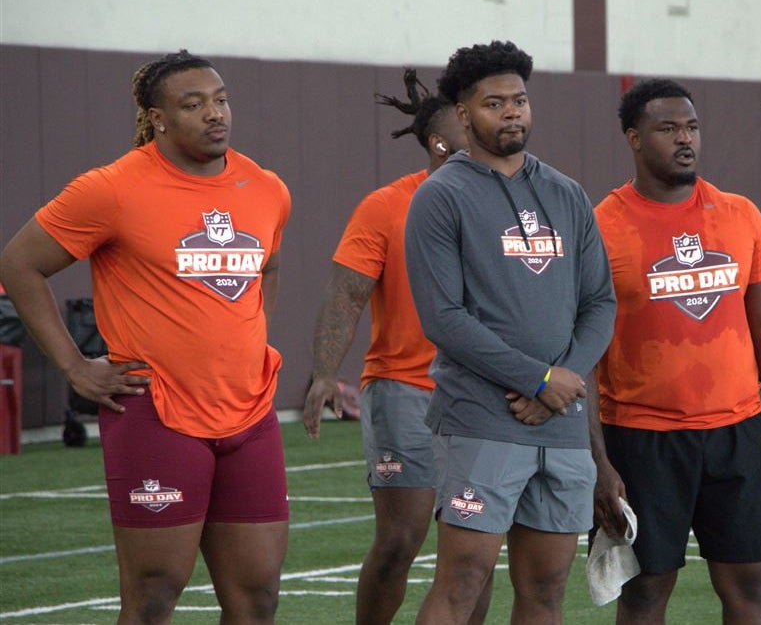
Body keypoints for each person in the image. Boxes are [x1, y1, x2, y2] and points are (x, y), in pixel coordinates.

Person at [0, 50, 290, 623]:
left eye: (221, 98)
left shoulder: (266, 187)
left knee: (257, 600)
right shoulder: (112, 189)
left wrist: (246, 345)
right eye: (194, 103)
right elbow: (18, 264)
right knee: (154, 593)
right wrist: (75, 366)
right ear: (157, 118)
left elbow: (268, 267)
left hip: (249, 413)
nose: (215, 113)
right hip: (155, 412)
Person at [403, 41, 616, 625]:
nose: (512, 112)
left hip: (561, 424)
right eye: (494, 103)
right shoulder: (440, 196)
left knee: (547, 587)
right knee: (463, 582)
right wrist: (539, 378)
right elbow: (443, 318)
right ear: (464, 115)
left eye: (519, 100)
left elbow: (600, 302)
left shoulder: (567, 194)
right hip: (481, 420)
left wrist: (561, 385)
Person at [590, 77, 761, 623]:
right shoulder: (601, 226)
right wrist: (597, 462)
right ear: (634, 139)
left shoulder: (740, 215)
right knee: (644, 593)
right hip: (640, 438)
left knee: (752, 591)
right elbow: (581, 354)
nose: (685, 139)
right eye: (667, 129)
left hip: (739, 433)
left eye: (691, 127)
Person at [300, 69, 492, 625]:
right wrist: (323, 374)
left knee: (473, 547)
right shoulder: (386, 206)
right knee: (401, 538)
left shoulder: (506, 202)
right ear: (439, 142)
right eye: (469, 121)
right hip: (404, 390)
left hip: (481, 395)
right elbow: (346, 293)